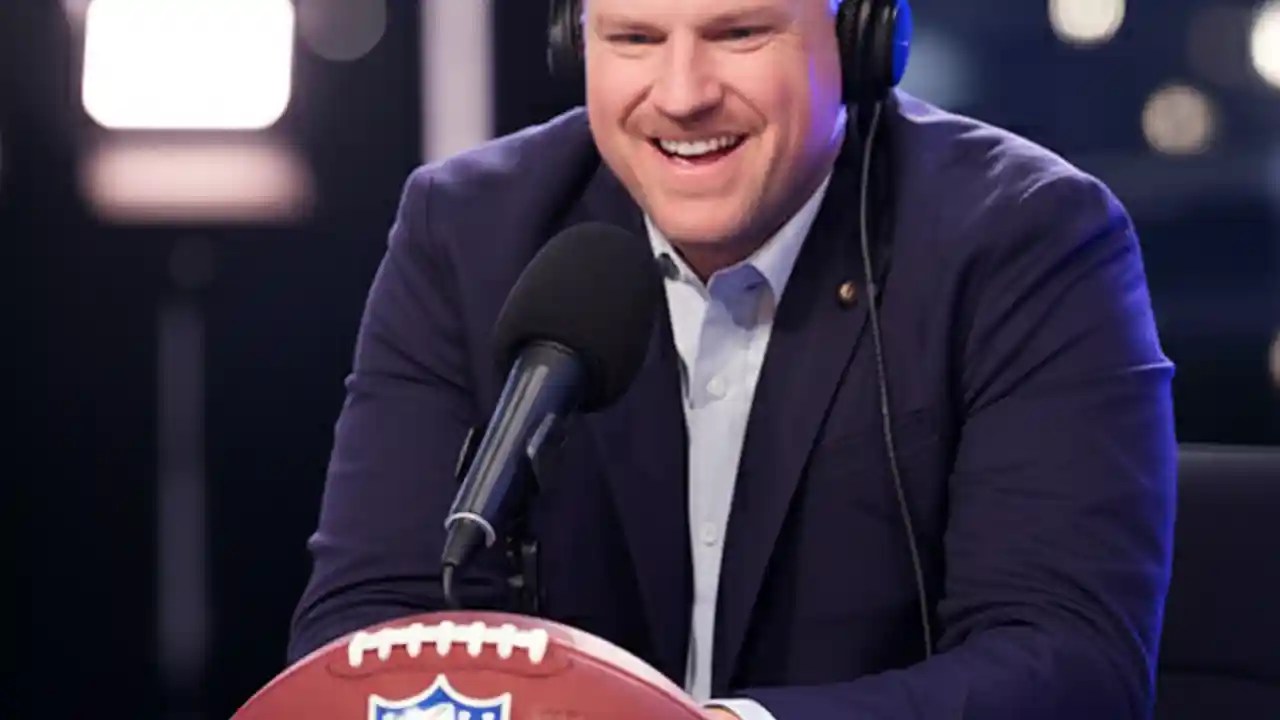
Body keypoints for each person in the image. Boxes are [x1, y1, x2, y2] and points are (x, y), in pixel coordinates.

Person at [287, 0, 1178, 718]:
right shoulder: (470, 231)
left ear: (860, 34)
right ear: (576, 38)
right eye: (634, 38)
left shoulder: (1026, 239)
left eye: (739, 33)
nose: (680, 94)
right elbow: (360, 634)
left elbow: (1070, 667)